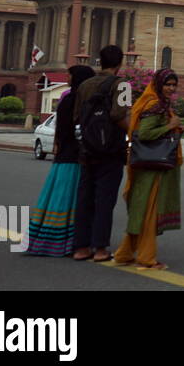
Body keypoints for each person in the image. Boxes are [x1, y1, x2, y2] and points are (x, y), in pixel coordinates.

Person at [114, 68, 183, 269]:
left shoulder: (153, 102)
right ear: (158, 85)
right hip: (153, 167)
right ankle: (146, 258)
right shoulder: (155, 104)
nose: (171, 88)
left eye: (173, 85)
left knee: (141, 210)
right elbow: (144, 134)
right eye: (167, 84)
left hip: (147, 165)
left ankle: (125, 254)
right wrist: (171, 126)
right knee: (150, 212)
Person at [26, 65, 95, 257]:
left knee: (58, 197)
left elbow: (61, 132)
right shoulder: (81, 101)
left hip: (64, 155)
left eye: (70, 75)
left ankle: (48, 239)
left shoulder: (68, 100)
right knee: (69, 199)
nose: (68, 78)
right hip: (74, 157)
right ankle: (64, 240)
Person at [71, 45, 131, 262]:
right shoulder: (122, 84)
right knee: (105, 200)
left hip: (87, 149)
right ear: (120, 63)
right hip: (111, 150)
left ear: (100, 61)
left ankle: (80, 248)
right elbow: (120, 115)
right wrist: (136, 132)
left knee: (85, 197)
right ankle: (101, 249)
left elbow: (76, 116)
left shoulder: (85, 85)